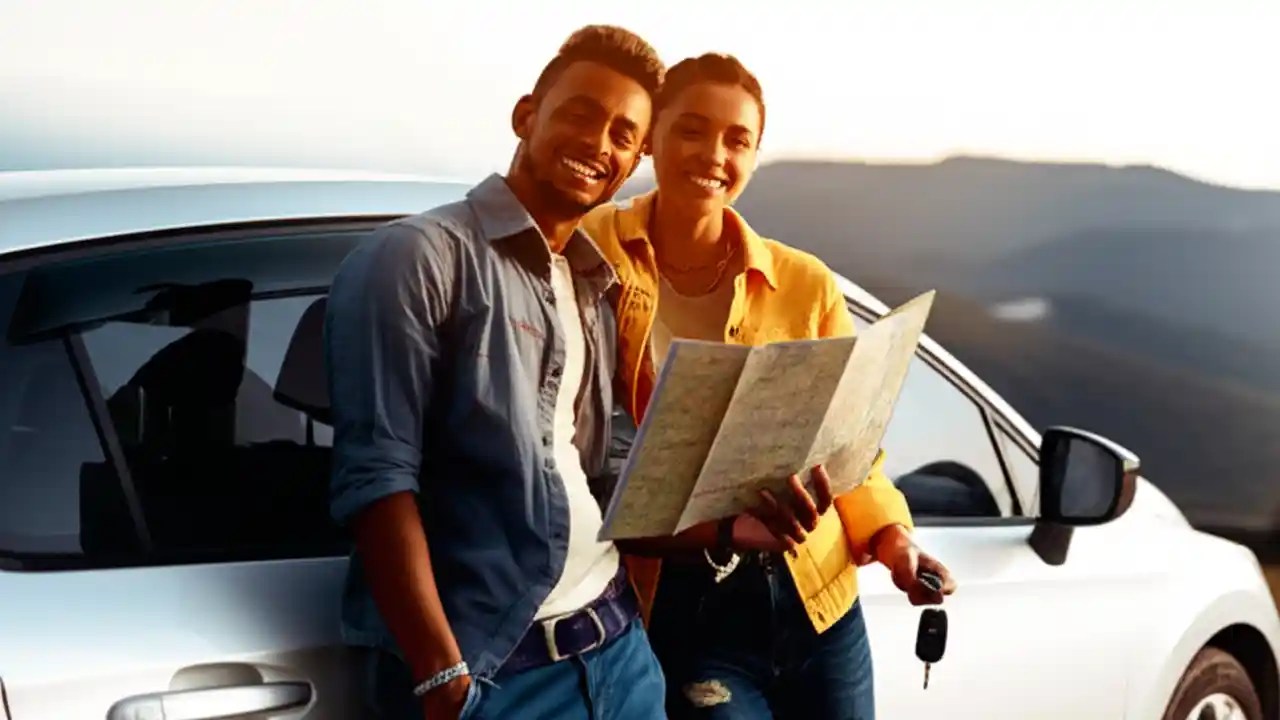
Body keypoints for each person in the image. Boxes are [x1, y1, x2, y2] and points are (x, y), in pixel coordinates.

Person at [582, 52, 959, 719]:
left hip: (821, 601)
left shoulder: (804, 281)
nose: (714, 154)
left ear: (755, 155)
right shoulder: (592, 251)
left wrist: (894, 541)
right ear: (651, 134)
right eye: (692, 130)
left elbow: (851, 447)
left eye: (738, 140)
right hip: (685, 606)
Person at [323, 25, 674, 720]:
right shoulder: (419, 256)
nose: (598, 143)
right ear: (526, 115)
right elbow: (376, 476)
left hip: (619, 657)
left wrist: (735, 522)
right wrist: (439, 676)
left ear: (634, 159)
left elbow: (604, 472)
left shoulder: (589, 282)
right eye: (579, 113)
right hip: (494, 678)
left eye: (622, 133)